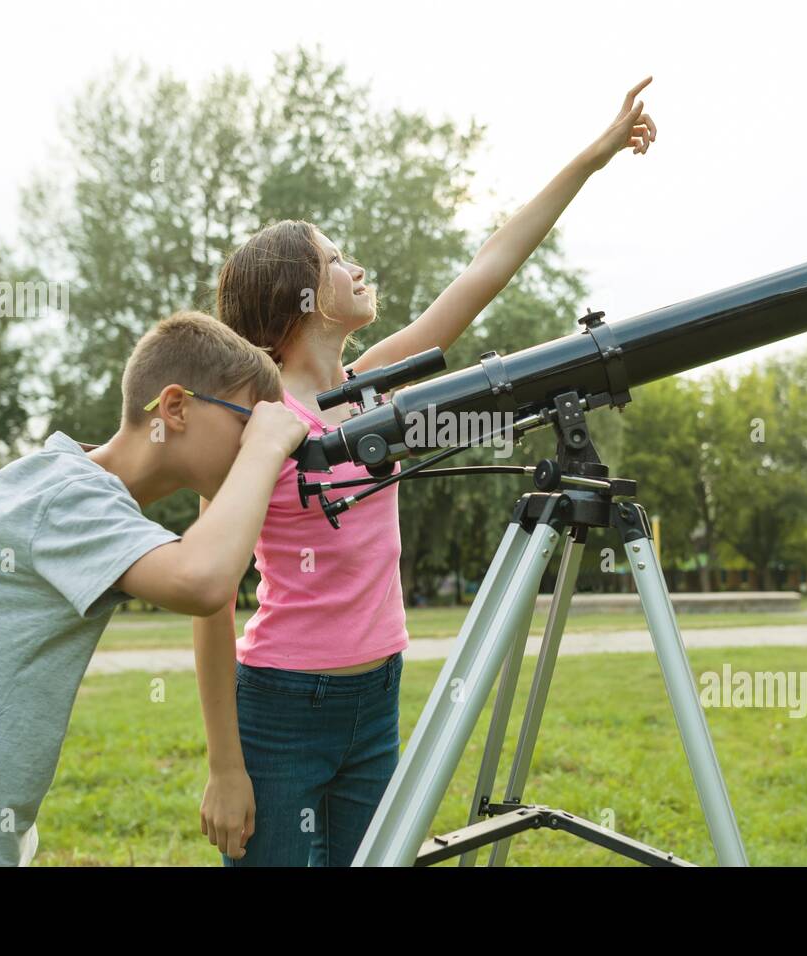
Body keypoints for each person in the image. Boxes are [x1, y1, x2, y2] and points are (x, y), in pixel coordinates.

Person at [196, 78, 659, 866]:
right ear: (300, 300)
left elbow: (486, 268)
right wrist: (224, 767)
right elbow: (209, 601)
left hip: (376, 695)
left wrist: (594, 156)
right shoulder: (249, 430)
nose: (358, 267)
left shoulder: (376, 391)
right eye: (337, 260)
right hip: (279, 705)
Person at [0, 312, 308, 866]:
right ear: (174, 407)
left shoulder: (69, 488)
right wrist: (265, 448)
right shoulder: (61, 496)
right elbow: (201, 581)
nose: (258, 441)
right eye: (247, 421)